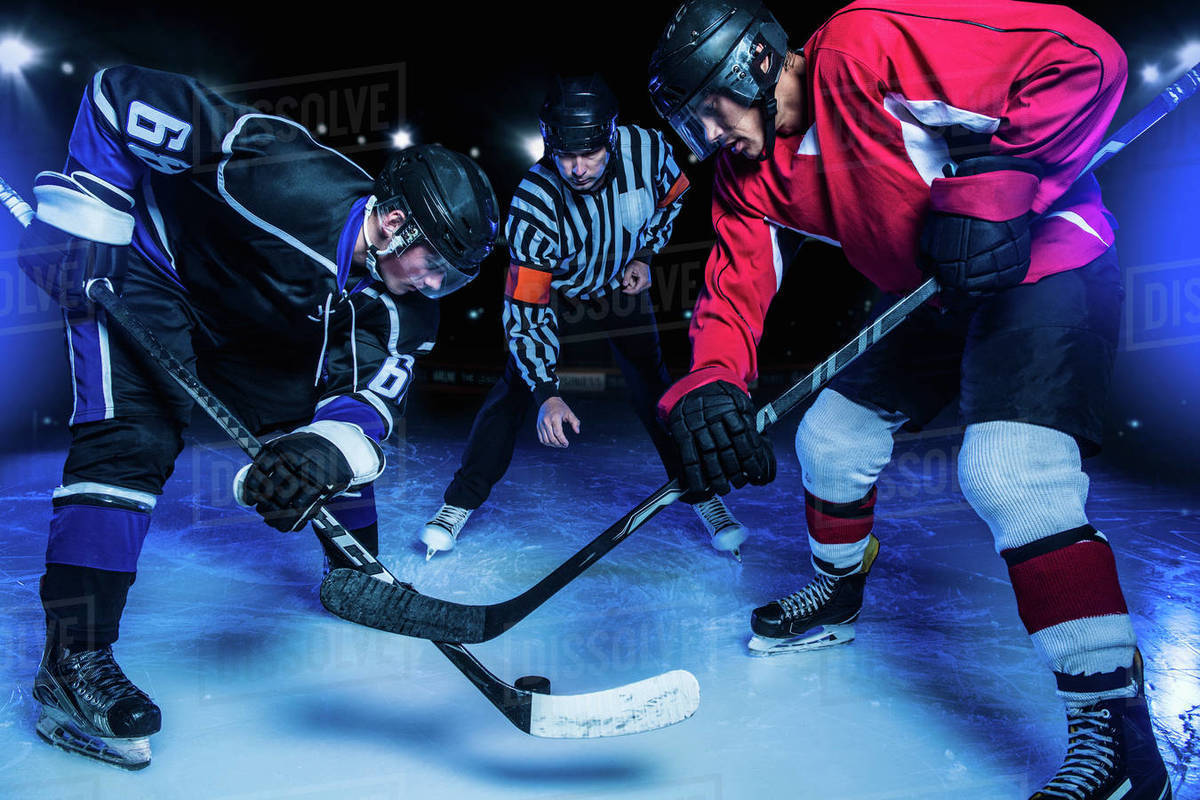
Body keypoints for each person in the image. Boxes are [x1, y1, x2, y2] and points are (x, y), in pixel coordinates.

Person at [648, 2, 1172, 798]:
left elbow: (1082, 57)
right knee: (830, 437)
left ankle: (1121, 744)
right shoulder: (743, 176)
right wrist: (711, 382)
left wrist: (1005, 176)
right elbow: (733, 287)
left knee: (1009, 472)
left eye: (703, 110)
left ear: (752, 65)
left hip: (1043, 260)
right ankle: (839, 592)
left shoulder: (865, 46)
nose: (704, 134)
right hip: (933, 291)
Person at [17, 64, 498, 769]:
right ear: (393, 223)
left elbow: (365, 401)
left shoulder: (405, 305)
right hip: (151, 272)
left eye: (453, 278)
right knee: (132, 441)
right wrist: (90, 208)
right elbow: (119, 95)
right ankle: (74, 659)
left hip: (253, 330)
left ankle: (355, 571)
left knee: (318, 442)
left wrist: (321, 453)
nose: (436, 285)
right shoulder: (278, 169)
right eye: (436, 265)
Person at [418, 74, 748, 559]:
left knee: (656, 390)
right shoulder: (534, 202)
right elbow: (525, 307)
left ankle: (703, 494)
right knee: (513, 391)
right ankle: (458, 504)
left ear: (611, 137)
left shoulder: (649, 151)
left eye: (587, 154)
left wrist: (644, 256)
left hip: (618, 284)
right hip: (559, 292)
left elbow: (672, 197)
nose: (575, 169)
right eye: (564, 155)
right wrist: (547, 393)